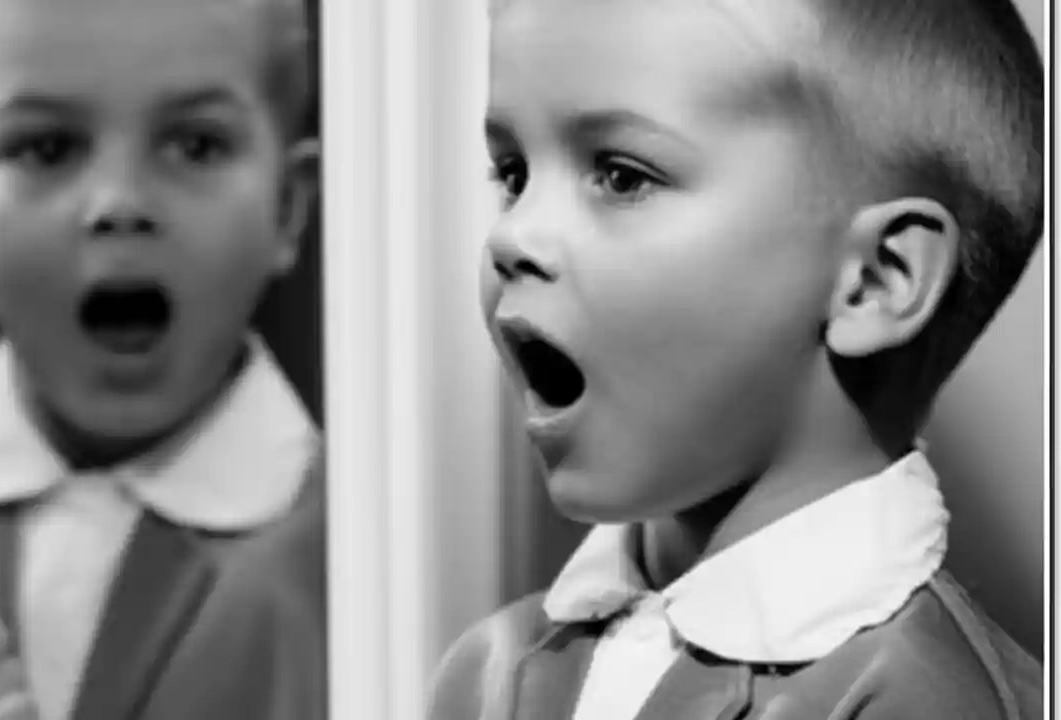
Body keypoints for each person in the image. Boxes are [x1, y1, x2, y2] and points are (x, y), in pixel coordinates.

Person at [430, 0, 1044, 717]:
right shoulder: (488, 671)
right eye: (512, 174)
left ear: (877, 280)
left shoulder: (921, 696)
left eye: (622, 175)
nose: (513, 237)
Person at [0, 0, 325, 717]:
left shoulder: (362, 555)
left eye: (196, 145)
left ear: (290, 205)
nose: (120, 202)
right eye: (47, 148)